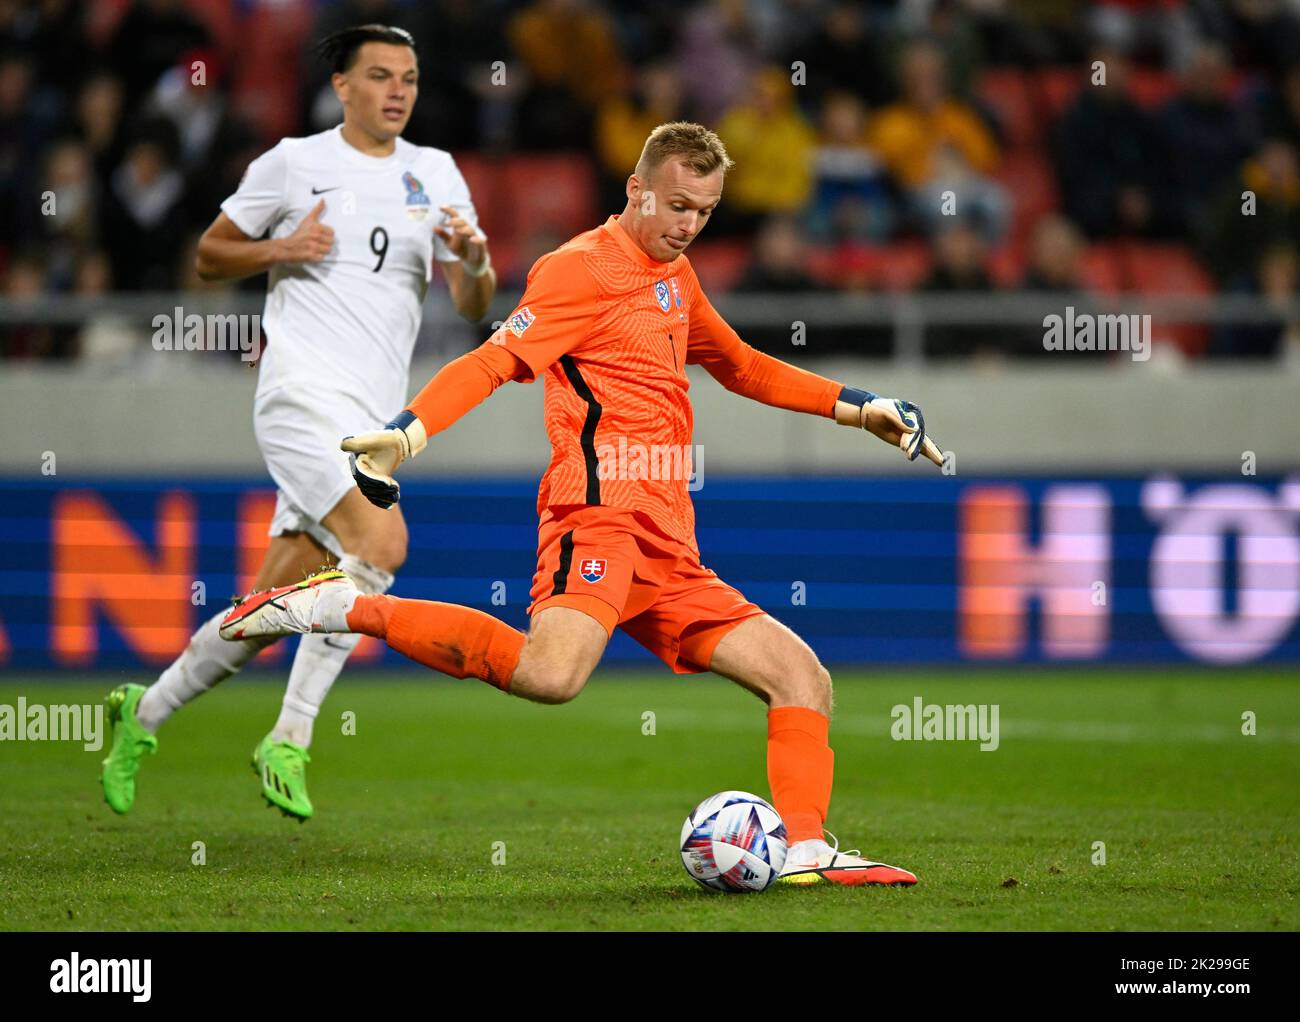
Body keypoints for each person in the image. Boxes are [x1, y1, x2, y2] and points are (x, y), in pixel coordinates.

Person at [220, 121, 940, 886]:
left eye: (704, 211)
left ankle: (806, 852)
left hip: (669, 544)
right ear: (636, 190)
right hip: (597, 519)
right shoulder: (578, 270)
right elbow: (493, 360)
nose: (689, 225)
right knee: (551, 677)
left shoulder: (676, 275)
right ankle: (342, 605)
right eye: (677, 206)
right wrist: (406, 433)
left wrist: (858, 406)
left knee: (802, 676)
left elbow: (740, 365)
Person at [99, 24, 496, 820]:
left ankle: (144, 712)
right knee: (381, 545)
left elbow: (470, 303)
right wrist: (283, 248)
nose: (398, 90)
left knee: (270, 607)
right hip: (298, 395)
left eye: (409, 77)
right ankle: (291, 734)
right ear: (341, 86)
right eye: (380, 75)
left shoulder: (435, 172)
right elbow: (209, 256)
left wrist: (478, 260)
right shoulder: (292, 161)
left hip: (371, 419)